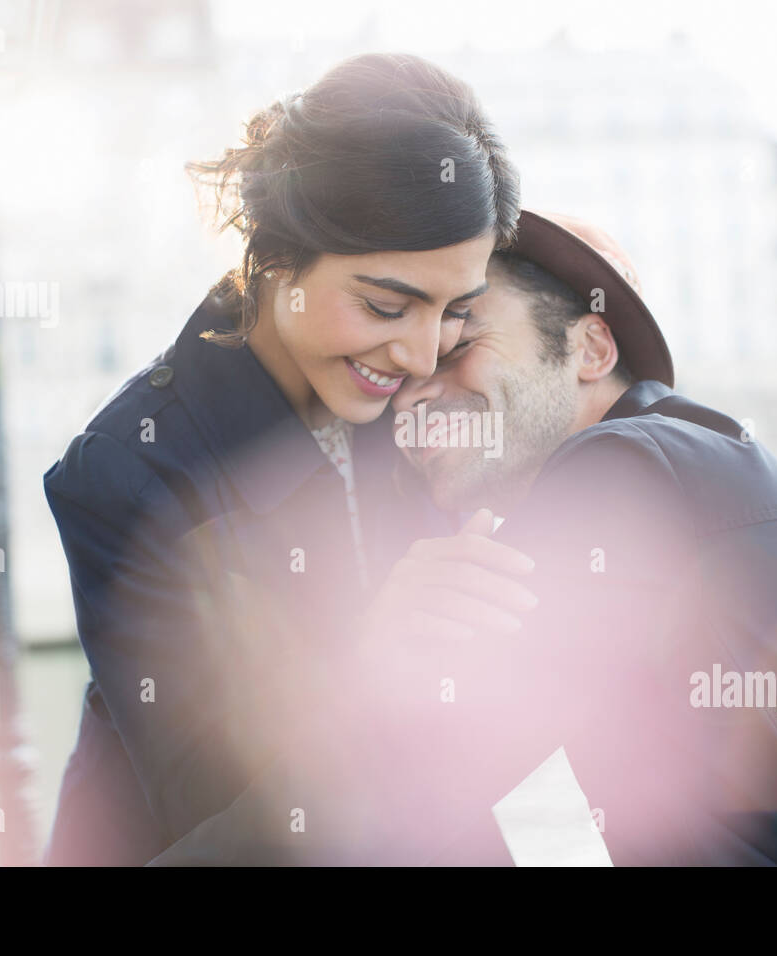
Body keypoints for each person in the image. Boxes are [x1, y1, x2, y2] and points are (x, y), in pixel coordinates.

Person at [148, 209, 777, 866]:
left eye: (462, 341)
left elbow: (404, 786)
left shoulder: (621, 471)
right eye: (403, 374)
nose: (411, 396)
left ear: (590, 347)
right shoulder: (697, 458)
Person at [40, 52, 526, 865]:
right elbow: (218, 810)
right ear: (275, 254)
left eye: (456, 311)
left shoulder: (421, 395)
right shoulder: (128, 473)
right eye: (384, 304)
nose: (417, 352)